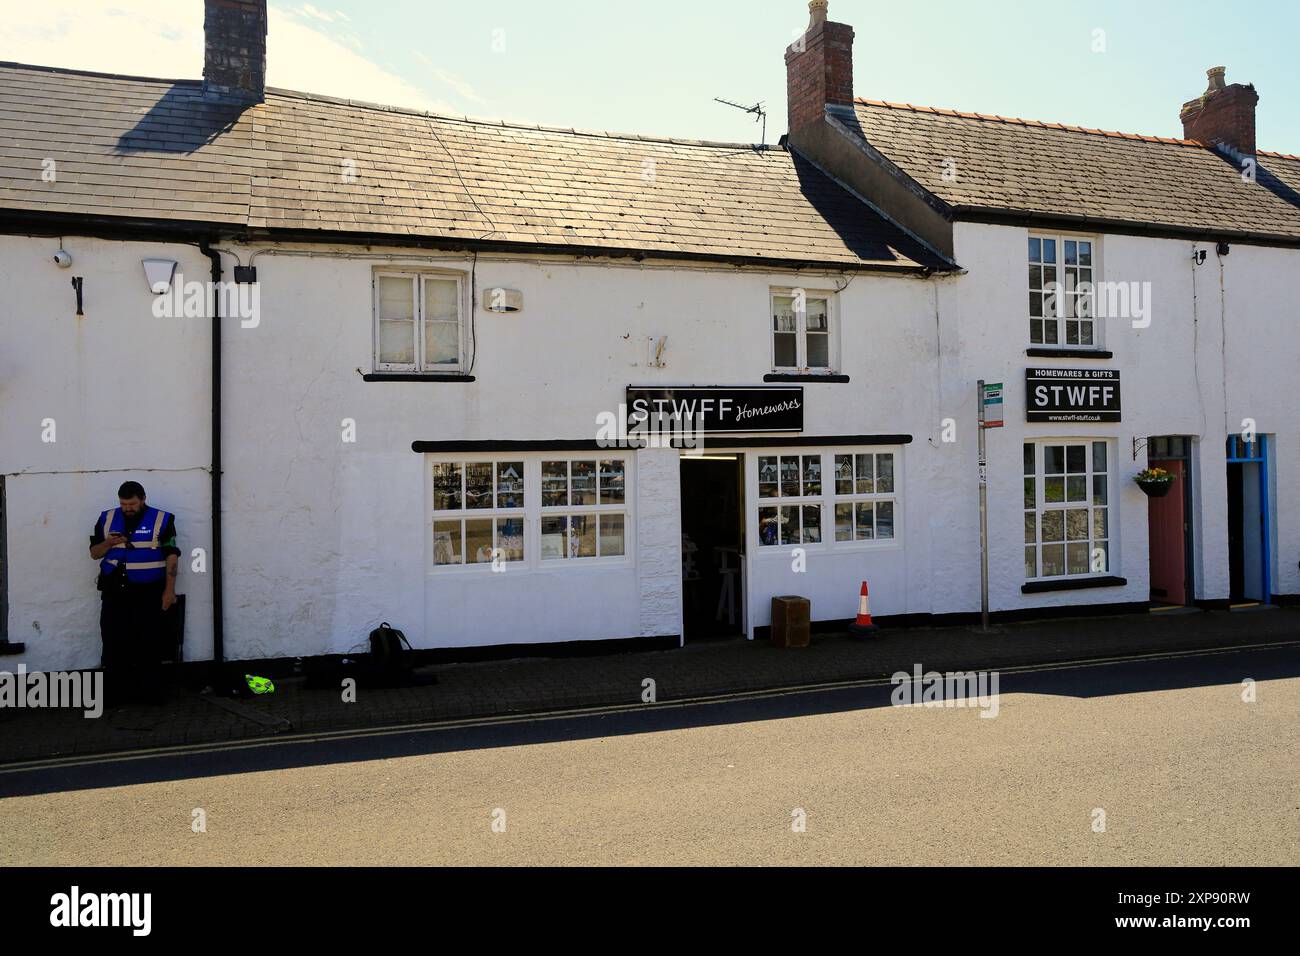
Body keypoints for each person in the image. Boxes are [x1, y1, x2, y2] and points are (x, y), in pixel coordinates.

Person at [88, 481, 180, 704]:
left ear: (143, 499)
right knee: (112, 641)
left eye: (132, 503)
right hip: (114, 592)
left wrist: (169, 591)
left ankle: (150, 694)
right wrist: (109, 542)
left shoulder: (163, 519)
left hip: (148, 591)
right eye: (123, 503)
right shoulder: (107, 518)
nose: (127, 508)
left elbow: (172, 555)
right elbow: (94, 553)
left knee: (149, 643)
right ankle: (114, 694)